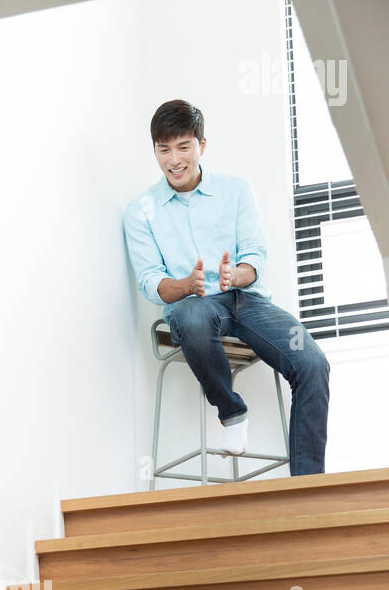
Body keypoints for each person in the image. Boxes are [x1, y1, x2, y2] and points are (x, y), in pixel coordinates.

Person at [123, 99, 329, 475]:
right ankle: (232, 413)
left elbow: (255, 255)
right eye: (163, 149)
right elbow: (150, 281)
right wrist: (186, 285)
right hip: (196, 308)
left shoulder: (236, 190)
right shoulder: (141, 211)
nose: (174, 159)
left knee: (313, 363)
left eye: (183, 146)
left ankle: (308, 487)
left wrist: (239, 275)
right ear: (154, 150)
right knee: (192, 315)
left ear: (203, 144)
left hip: (246, 302)